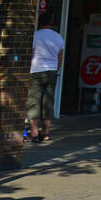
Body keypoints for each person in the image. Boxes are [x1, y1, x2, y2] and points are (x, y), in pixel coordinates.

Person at [28, 12, 64, 143]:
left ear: (39, 22)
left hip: (36, 71)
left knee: (34, 102)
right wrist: (56, 69)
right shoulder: (58, 37)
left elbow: (30, 53)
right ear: (51, 23)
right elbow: (60, 56)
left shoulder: (35, 36)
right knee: (48, 102)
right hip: (51, 71)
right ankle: (46, 132)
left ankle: (34, 132)